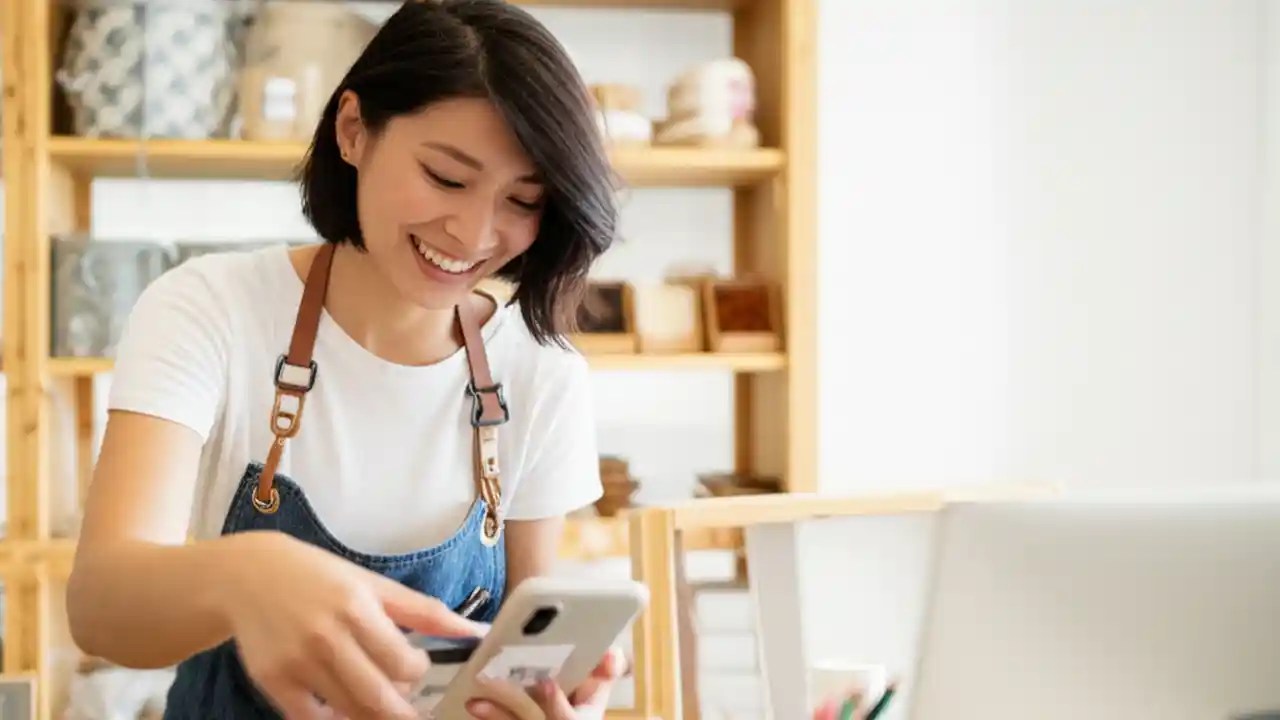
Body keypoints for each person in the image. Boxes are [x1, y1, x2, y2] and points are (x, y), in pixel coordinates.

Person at [64, 1, 623, 718]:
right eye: (447, 178)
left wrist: (552, 699)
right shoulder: (208, 310)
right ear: (353, 129)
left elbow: (520, 656)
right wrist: (247, 575)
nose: (475, 232)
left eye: (522, 199)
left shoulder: (541, 374)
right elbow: (103, 605)